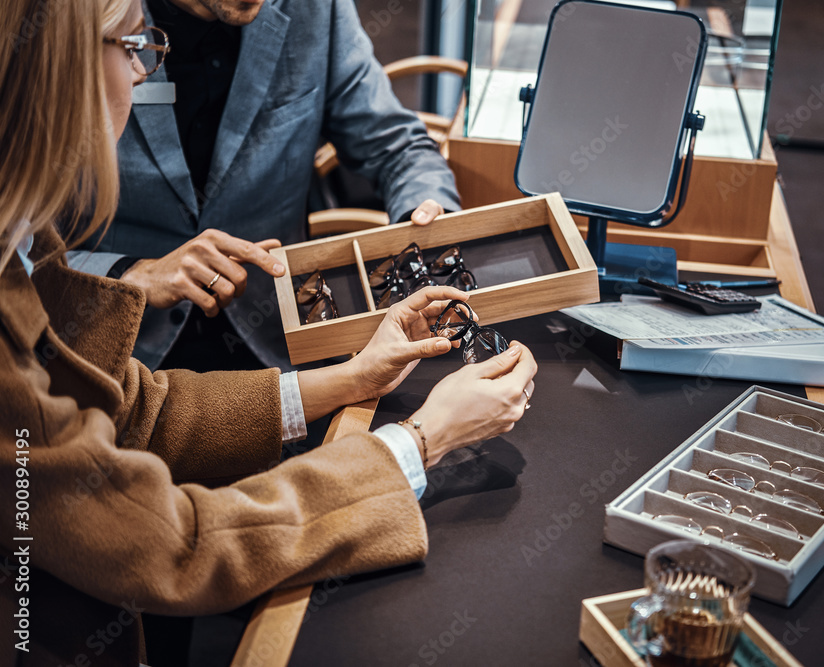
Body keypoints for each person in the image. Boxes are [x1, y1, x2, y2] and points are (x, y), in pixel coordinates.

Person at [0, 1, 536, 664]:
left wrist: (351, 377)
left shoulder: (17, 250)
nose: (141, 71)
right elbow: (177, 544)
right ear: (59, 71)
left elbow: (134, 409)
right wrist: (424, 439)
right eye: (134, 45)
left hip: (245, 358)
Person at [67, 0, 463, 374]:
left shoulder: (313, 9)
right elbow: (16, 247)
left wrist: (426, 209)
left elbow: (395, 145)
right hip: (114, 357)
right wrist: (130, 274)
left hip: (282, 341)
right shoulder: (82, 19)